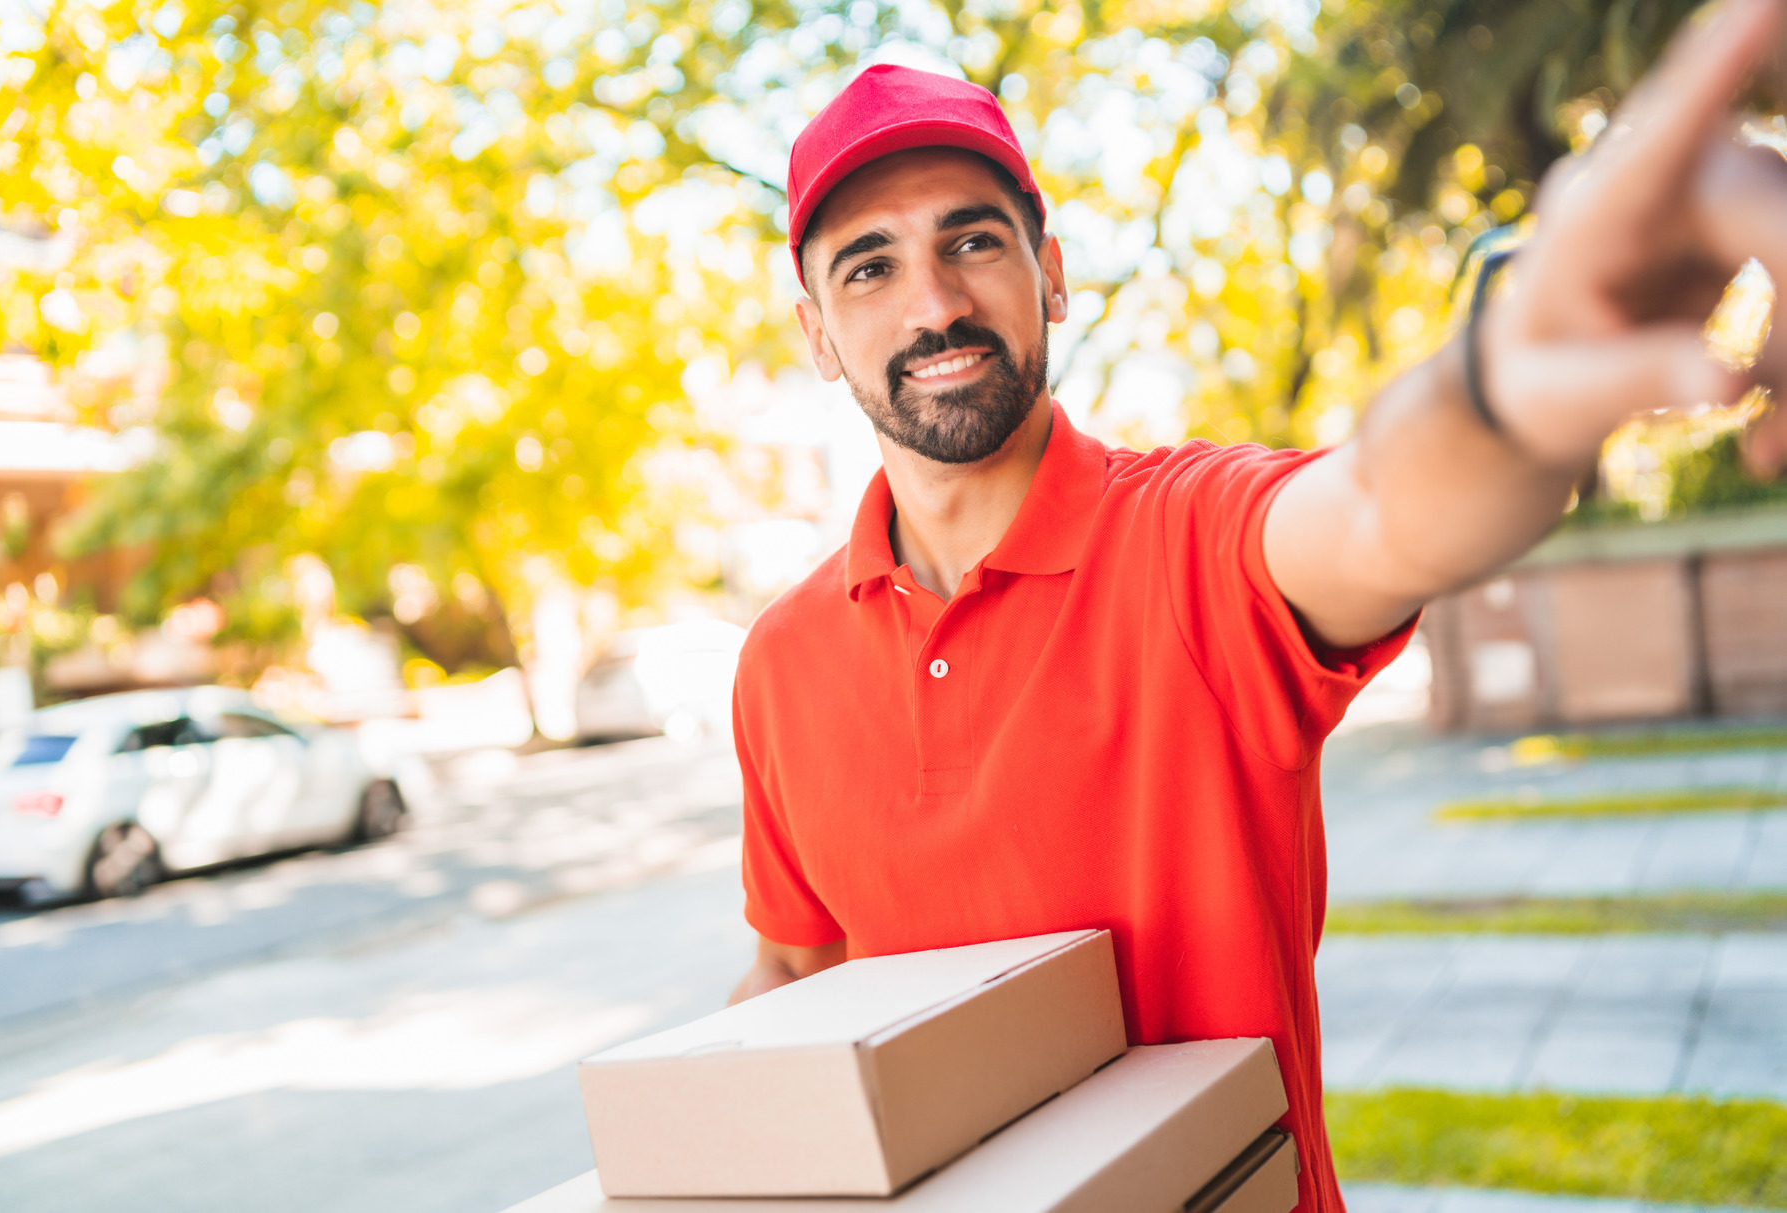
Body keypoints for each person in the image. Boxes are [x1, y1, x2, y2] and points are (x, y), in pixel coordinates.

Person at [728, 3, 1787, 1210]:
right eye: (868, 267)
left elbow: (1385, 509)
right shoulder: (778, 662)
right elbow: (790, 969)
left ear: (1050, 274)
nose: (931, 303)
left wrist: (1503, 376)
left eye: (971, 241)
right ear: (816, 335)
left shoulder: (1189, 539)